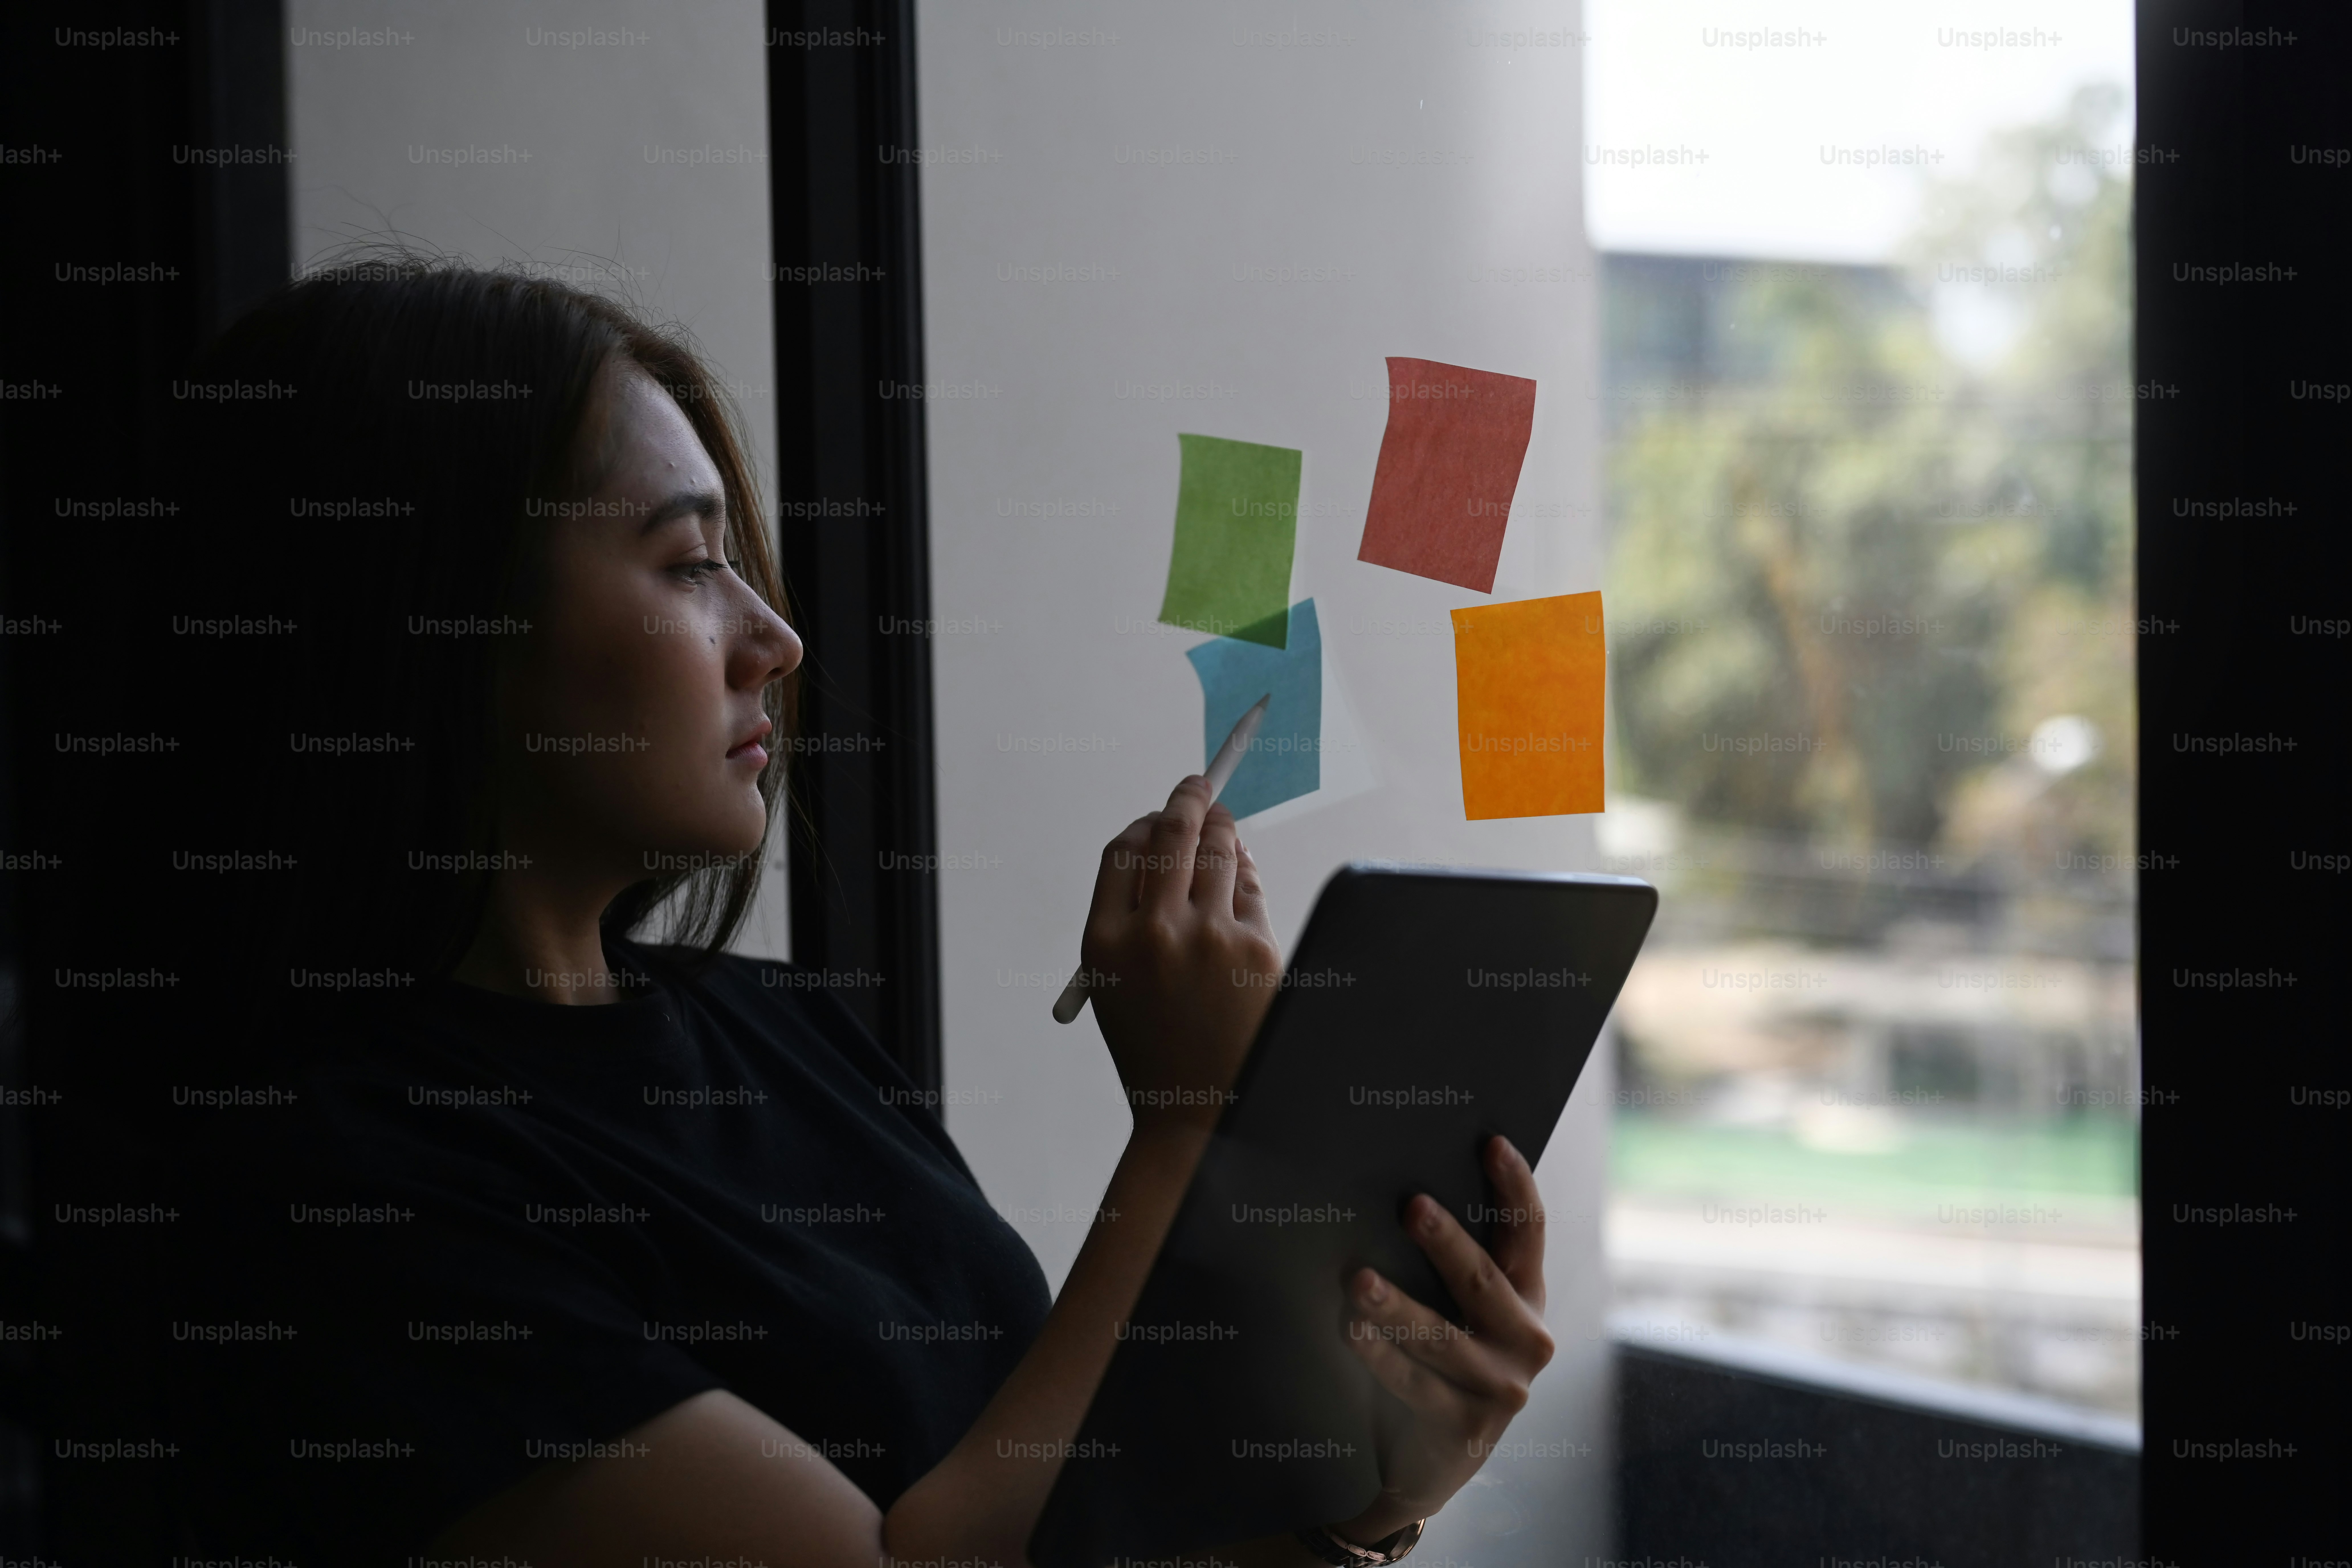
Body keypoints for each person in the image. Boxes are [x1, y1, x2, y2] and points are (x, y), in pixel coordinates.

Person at [158, 258, 1555, 1567]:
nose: (776, 639)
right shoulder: (341, 1178)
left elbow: (1063, 1513)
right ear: (438, 619)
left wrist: (1370, 1503)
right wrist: (1194, 1128)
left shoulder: (788, 1033)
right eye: (687, 563)